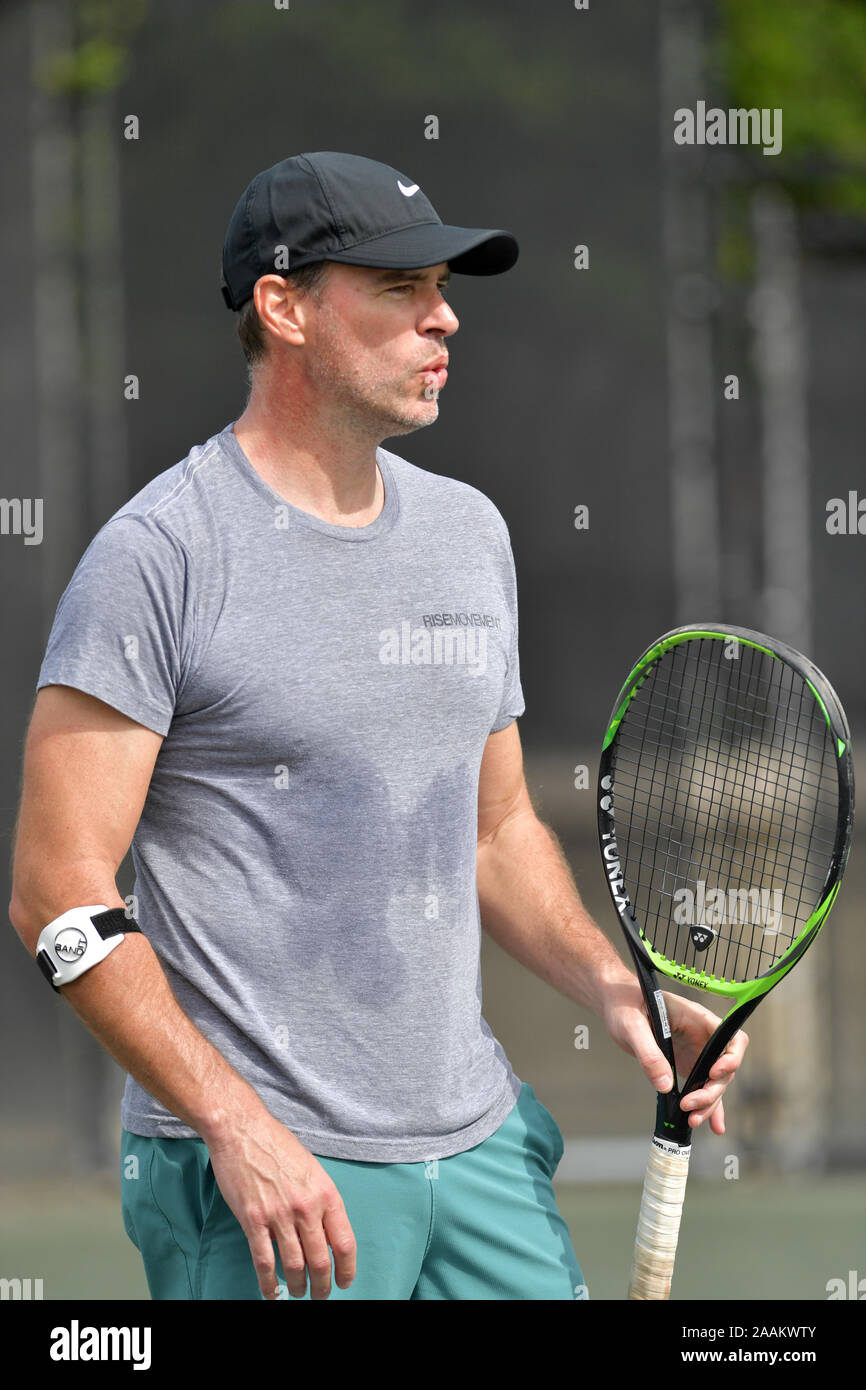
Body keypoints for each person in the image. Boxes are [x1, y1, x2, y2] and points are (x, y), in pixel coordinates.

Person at [9, 152, 747, 1301]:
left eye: (443, 287)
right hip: (273, 1187)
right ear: (283, 305)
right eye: (399, 289)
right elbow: (56, 892)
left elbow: (493, 826)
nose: (442, 317)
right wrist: (235, 1130)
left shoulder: (468, 534)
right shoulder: (158, 557)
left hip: (482, 1151)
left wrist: (618, 994)